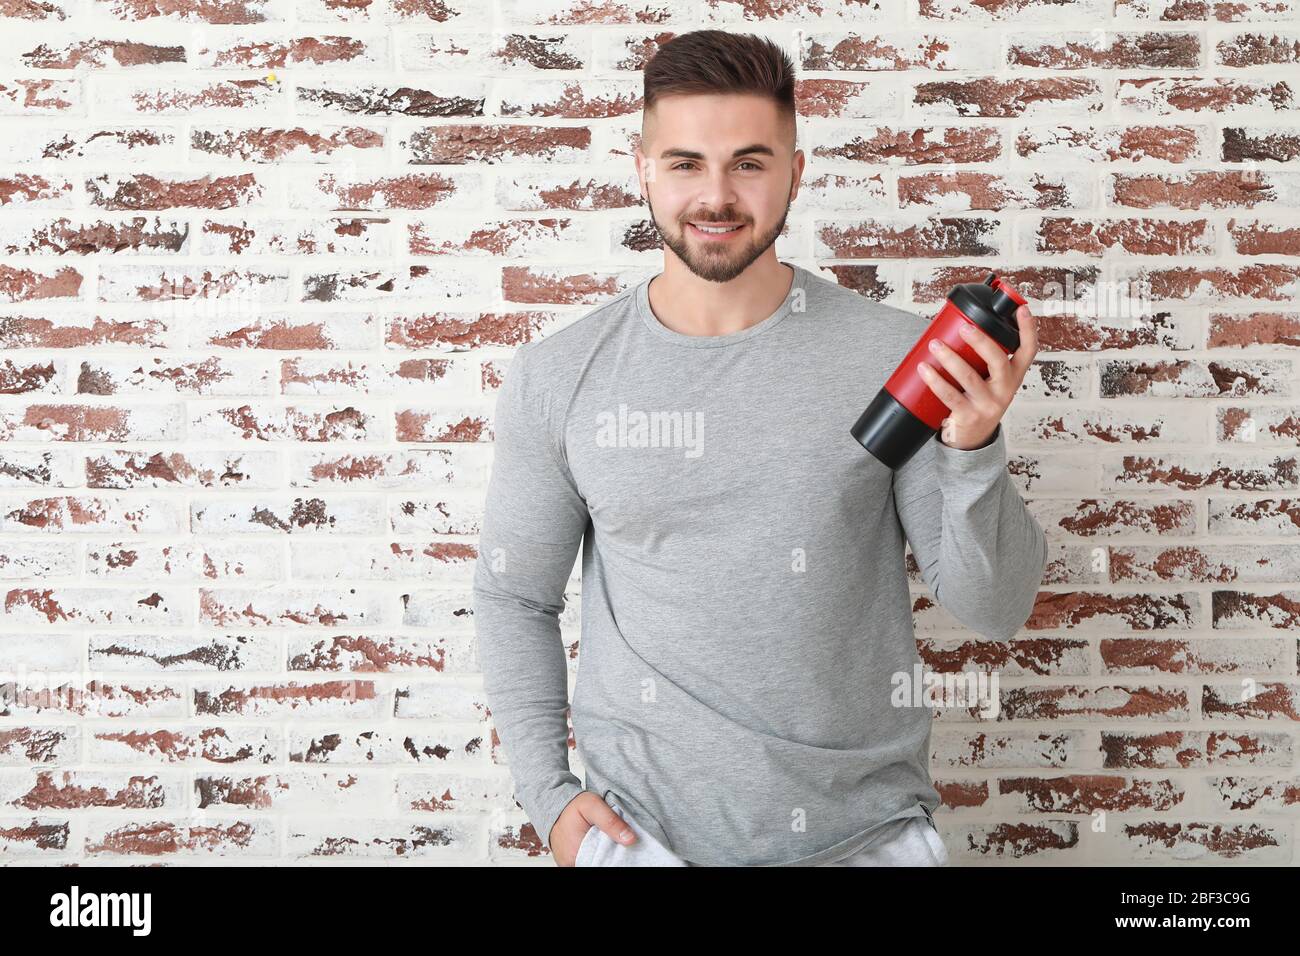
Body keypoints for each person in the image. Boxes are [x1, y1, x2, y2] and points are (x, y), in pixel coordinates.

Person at [472, 29, 1048, 867]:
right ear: (641, 170)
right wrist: (551, 803)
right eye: (684, 163)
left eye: (748, 162)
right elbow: (515, 597)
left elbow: (995, 609)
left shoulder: (898, 361)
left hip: (866, 838)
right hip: (639, 841)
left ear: (795, 172)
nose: (716, 195)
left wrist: (974, 444)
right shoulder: (560, 376)